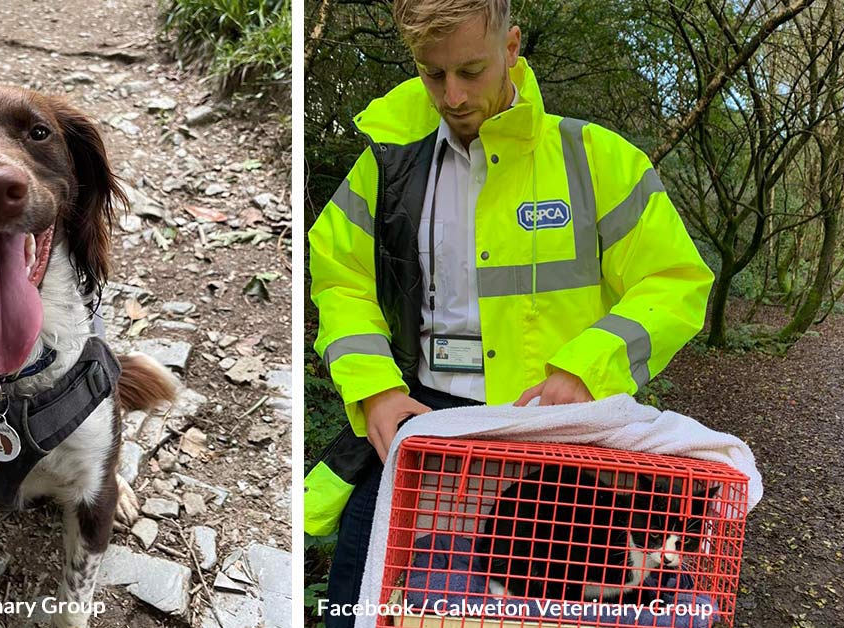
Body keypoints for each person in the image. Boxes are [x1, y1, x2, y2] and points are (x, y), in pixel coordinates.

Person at [303, 0, 715, 624]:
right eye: (432, 73)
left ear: (512, 46)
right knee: (353, 605)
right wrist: (375, 389)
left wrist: (585, 369)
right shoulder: (388, 164)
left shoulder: (596, 160)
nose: (453, 95)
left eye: (471, 69)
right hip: (423, 422)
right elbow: (340, 277)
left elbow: (676, 280)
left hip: (557, 440)